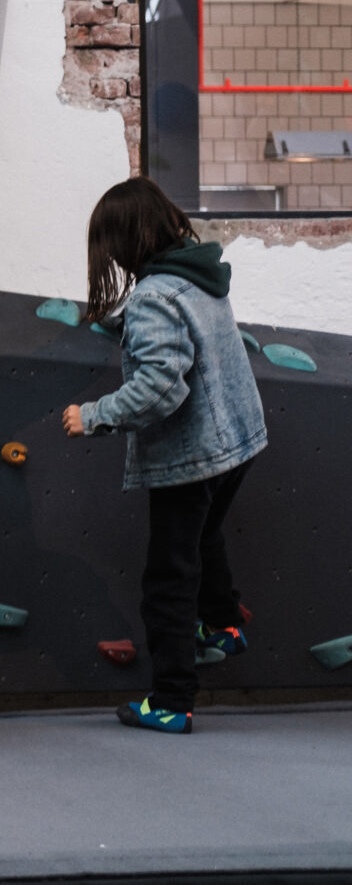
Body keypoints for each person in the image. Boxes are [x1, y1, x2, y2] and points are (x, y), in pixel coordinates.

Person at [64, 177, 267, 734]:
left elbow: (162, 386)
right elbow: (182, 346)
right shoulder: (200, 277)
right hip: (237, 444)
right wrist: (129, 328)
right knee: (204, 539)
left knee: (168, 580)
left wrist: (95, 414)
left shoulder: (155, 297)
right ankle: (224, 624)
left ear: (125, 244)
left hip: (191, 456)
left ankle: (173, 700)